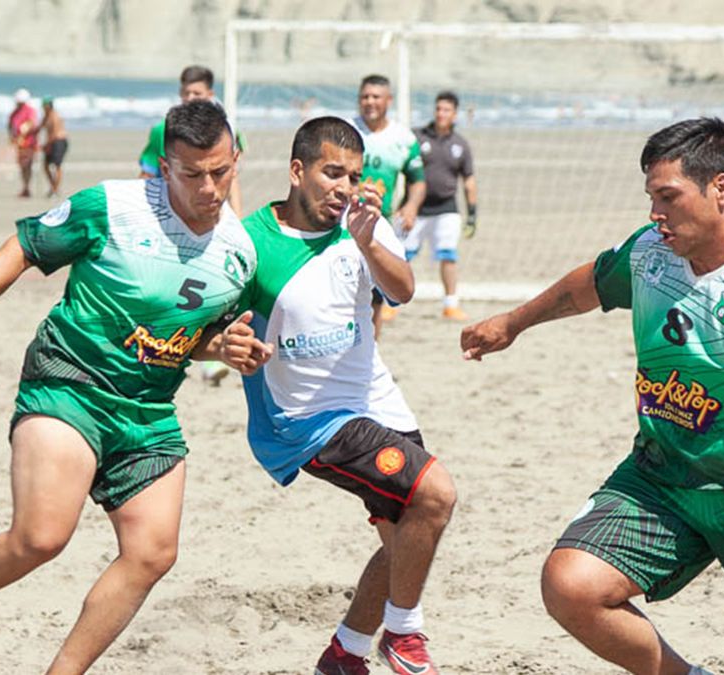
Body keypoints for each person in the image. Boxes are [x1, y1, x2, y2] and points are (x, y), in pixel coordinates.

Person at [461, 118, 724, 675]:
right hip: (662, 478)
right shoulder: (650, 254)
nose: (655, 214)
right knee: (570, 585)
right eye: (651, 198)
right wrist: (513, 323)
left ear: (720, 189)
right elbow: (587, 285)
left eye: (668, 197)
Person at [0, 100, 256, 675]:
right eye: (192, 174)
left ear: (236, 159)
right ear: (165, 167)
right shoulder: (112, 206)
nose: (209, 188)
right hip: (70, 382)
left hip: (148, 409)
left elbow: (196, 336)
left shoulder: (240, 252)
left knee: (152, 553)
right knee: (40, 537)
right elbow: (25, 246)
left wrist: (225, 349)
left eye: (220, 171)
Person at [221, 116, 456, 675]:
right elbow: (210, 324)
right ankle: (404, 633)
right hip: (308, 420)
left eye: (352, 176)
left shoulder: (362, 225)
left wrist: (369, 241)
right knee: (437, 495)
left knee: (403, 535)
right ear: (297, 171)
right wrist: (226, 345)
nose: (344, 188)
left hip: (378, 402)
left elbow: (401, 291)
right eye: (332, 173)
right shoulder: (249, 242)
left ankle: (345, 652)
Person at [351, 74, 426, 336]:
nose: (369, 102)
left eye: (375, 97)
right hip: (342, 222)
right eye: (364, 96)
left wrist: (411, 207)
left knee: (375, 297)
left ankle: (370, 352)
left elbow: (418, 181)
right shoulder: (347, 131)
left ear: (388, 100)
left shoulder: (403, 139)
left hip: (380, 225)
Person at [137, 65, 244, 216]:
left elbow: (232, 177)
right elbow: (147, 175)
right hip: (170, 213)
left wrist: (238, 216)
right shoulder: (162, 130)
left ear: (209, 94)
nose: (190, 98)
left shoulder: (225, 131)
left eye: (197, 93)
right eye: (186, 93)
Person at [411, 91, 478, 321]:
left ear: (455, 114)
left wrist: (472, 214)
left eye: (446, 110)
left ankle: (451, 304)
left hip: (447, 208)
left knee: (448, 255)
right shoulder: (417, 137)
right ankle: (390, 304)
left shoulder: (460, 144)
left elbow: (468, 181)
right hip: (415, 207)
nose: (441, 113)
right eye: (438, 109)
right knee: (402, 255)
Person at [8, 88, 38, 198]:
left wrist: (23, 130)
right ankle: (25, 186)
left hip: (29, 143)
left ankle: (27, 187)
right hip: (19, 144)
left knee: (27, 165)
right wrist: (12, 137)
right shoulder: (14, 112)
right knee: (22, 166)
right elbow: (10, 125)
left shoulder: (30, 110)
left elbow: (32, 123)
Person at [38, 97, 69, 198]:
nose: (42, 108)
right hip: (51, 142)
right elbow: (39, 128)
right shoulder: (46, 116)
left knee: (57, 166)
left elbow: (55, 133)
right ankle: (53, 186)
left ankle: (55, 189)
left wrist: (46, 145)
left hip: (59, 141)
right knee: (46, 165)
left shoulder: (54, 116)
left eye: (44, 105)